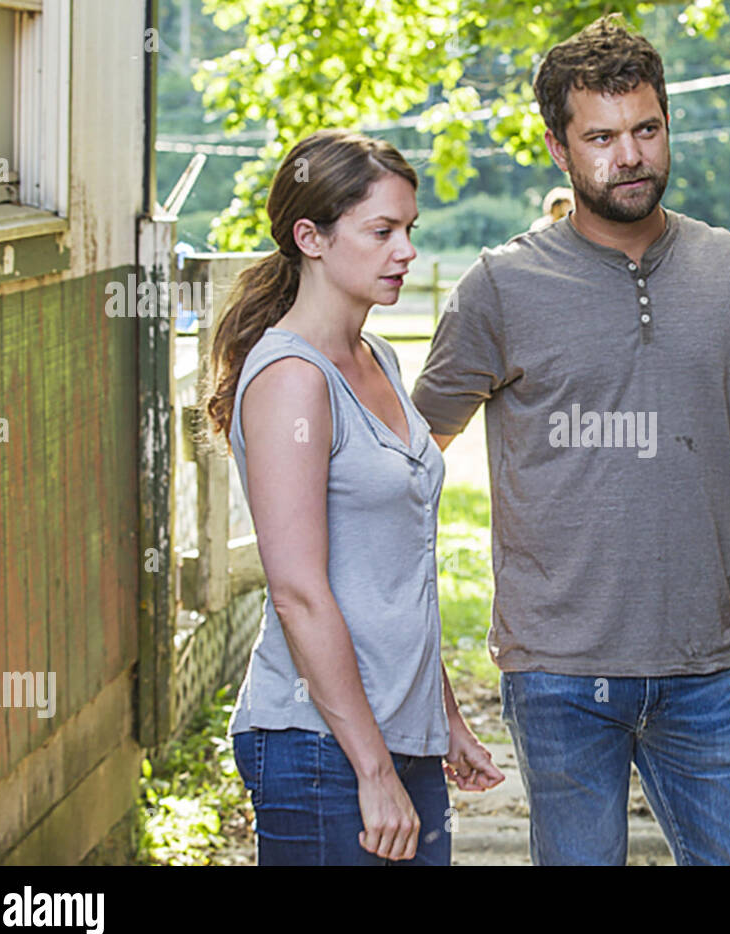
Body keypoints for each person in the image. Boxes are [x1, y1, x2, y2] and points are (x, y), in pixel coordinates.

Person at [411, 14, 730, 866]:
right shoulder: (500, 286)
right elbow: (408, 464)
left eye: (646, 129)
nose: (629, 155)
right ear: (559, 150)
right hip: (556, 670)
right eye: (600, 137)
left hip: (704, 667)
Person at [200, 130, 503, 867]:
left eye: (410, 230)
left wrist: (445, 717)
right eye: (382, 231)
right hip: (320, 746)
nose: (406, 251)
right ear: (311, 238)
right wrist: (371, 769)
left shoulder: (381, 359)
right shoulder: (291, 380)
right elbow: (300, 591)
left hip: (399, 735)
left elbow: (397, 574)